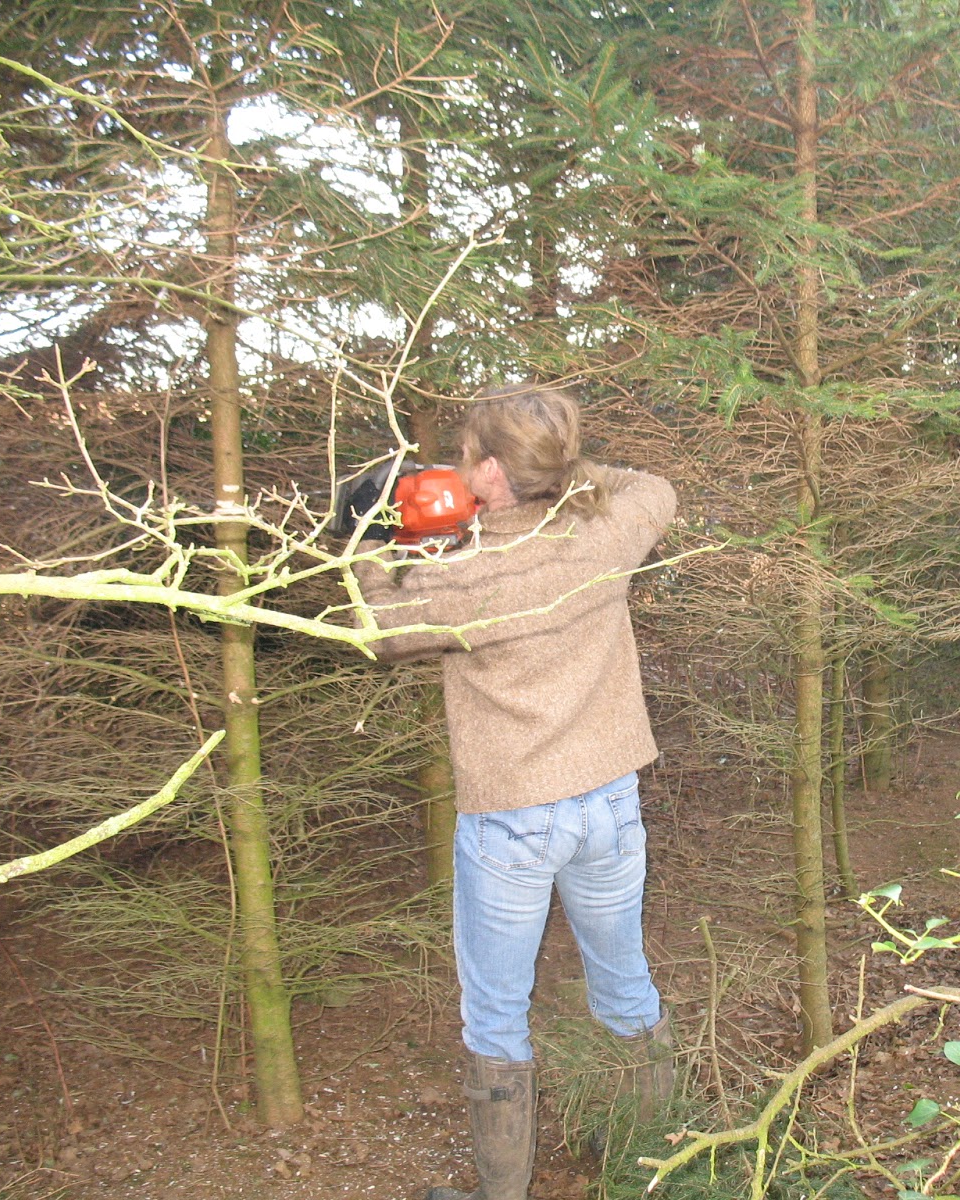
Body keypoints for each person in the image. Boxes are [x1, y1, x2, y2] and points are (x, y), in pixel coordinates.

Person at [352, 385, 676, 1200]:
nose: (456, 466)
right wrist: (559, 469)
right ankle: (658, 1171)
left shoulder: (466, 578)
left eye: (467, 457)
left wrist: (363, 533)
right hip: (609, 801)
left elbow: (381, 626)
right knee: (625, 982)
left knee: (495, 1013)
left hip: (512, 818)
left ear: (490, 473)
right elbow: (655, 489)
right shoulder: (599, 535)